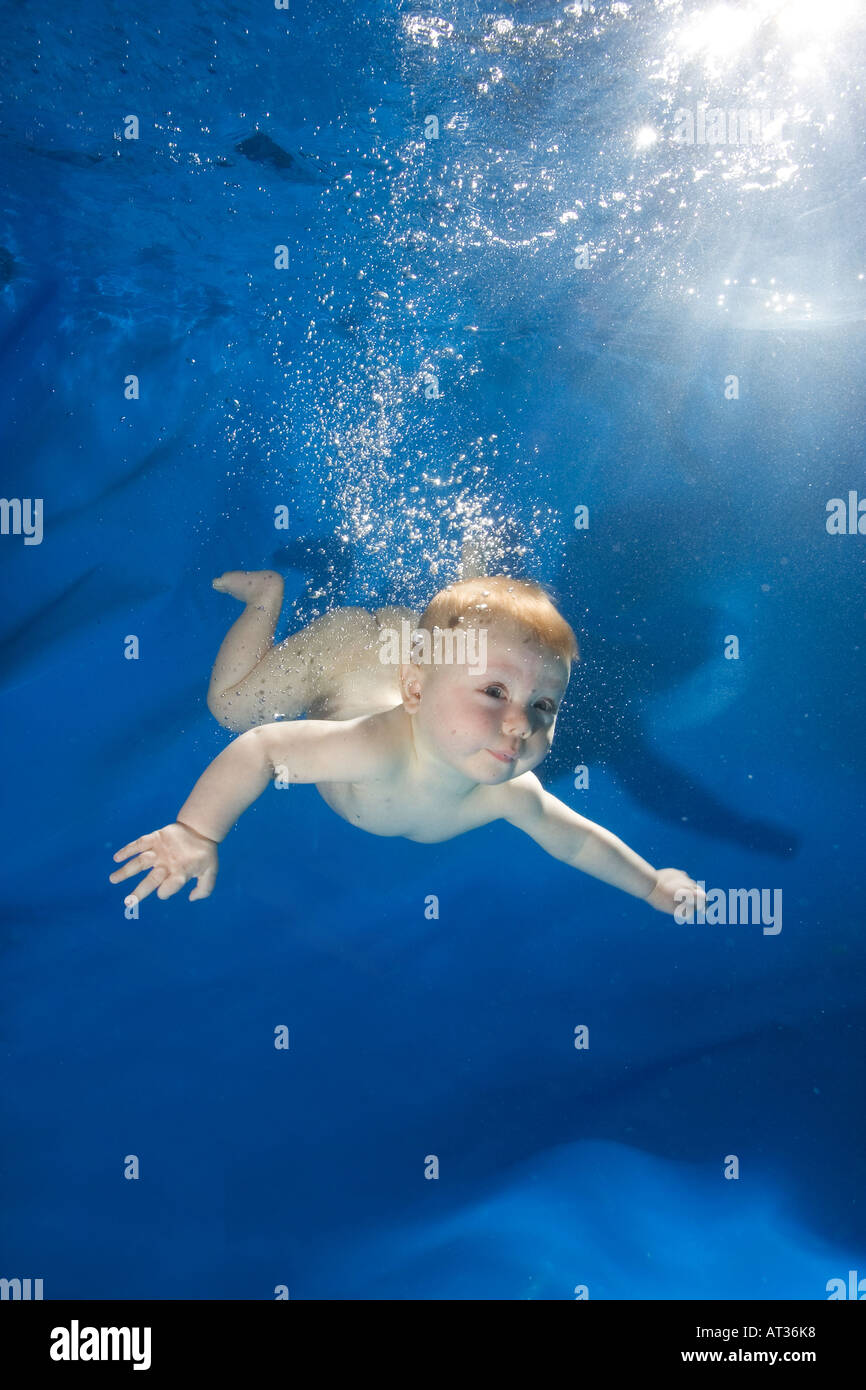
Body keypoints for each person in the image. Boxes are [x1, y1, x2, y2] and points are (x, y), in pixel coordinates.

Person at [109, 569, 704, 916]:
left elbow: (575, 843)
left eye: (543, 706)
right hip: (352, 655)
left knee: (473, 644)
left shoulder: (507, 792)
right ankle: (267, 595)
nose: (521, 725)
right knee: (232, 709)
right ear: (415, 692)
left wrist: (653, 884)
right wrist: (196, 832)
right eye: (496, 693)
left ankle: (474, 601)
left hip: (427, 658)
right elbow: (261, 750)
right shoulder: (377, 747)